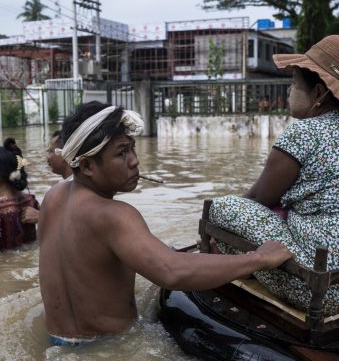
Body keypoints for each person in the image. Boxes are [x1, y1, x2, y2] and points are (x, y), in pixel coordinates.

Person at [37, 101, 293, 347]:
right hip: (112, 349)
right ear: (87, 165)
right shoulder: (114, 215)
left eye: (133, 148)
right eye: (121, 153)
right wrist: (259, 258)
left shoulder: (52, 198)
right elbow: (172, 272)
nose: (134, 160)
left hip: (57, 342)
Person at [208, 34, 339, 316]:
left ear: (319, 93)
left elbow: (257, 199)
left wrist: (221, 230)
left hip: (330, 289)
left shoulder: (304, 131)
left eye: (294, 84)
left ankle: (237, 262)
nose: (289, 92)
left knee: (223, 208)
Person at [20, 131, 72, 224]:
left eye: (51, 151)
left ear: (65, 153)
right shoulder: (69, 184)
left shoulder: (73, 187)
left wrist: (41, 216)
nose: (47, 157)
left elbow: (76, 223)